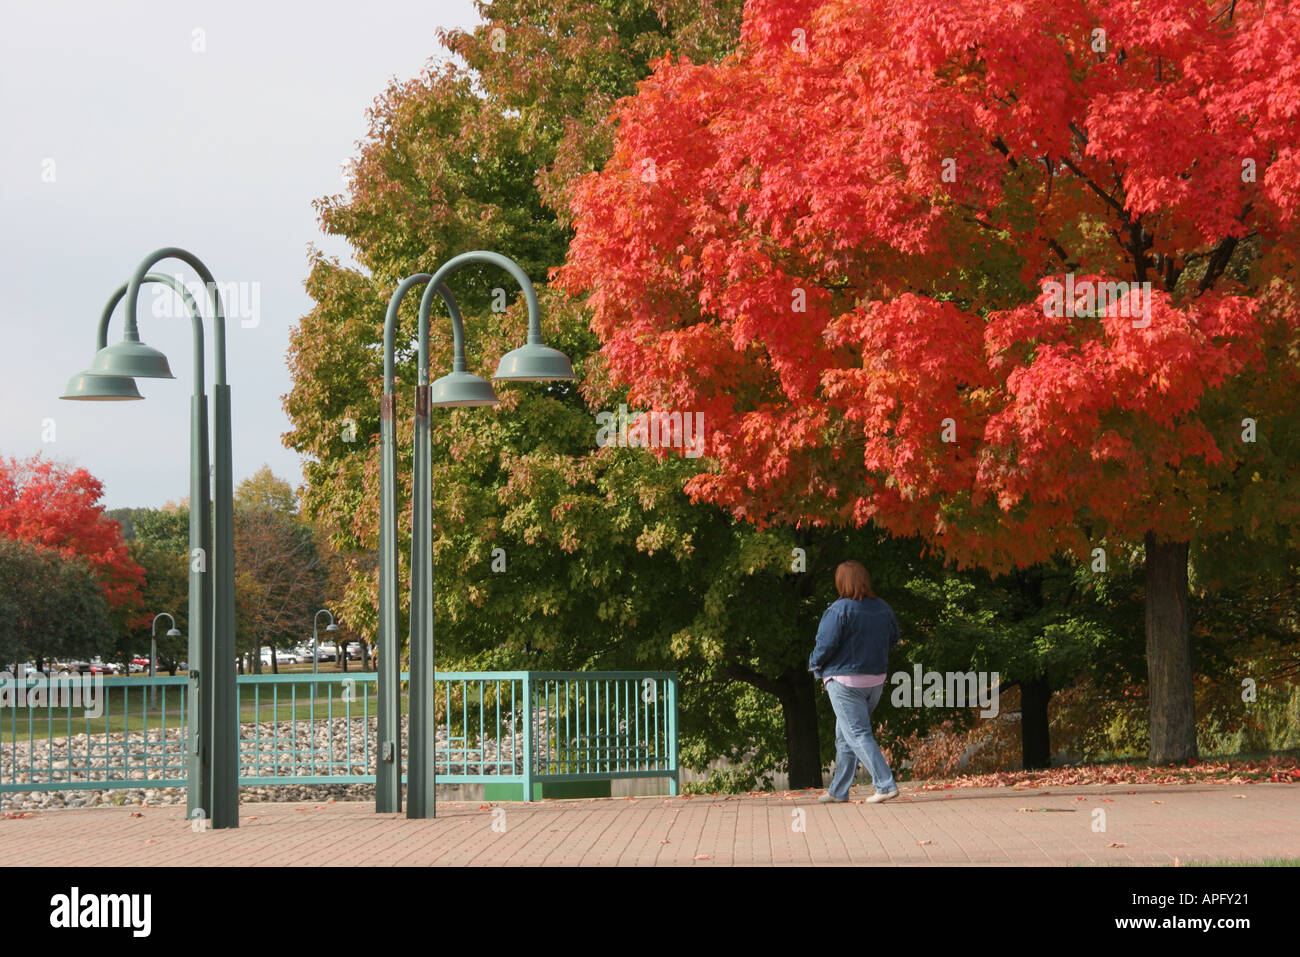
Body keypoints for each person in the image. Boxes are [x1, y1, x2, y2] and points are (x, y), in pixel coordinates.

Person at [808, 560, 901, 804]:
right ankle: (839, 790)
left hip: (844, 682)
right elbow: (894, 639)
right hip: (875, 681)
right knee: (845, 734)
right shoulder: (883, 608)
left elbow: (824, 645)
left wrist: (815, 665)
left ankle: (885, 784)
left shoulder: (839, 610)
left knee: (858, 733)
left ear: (841, 582)